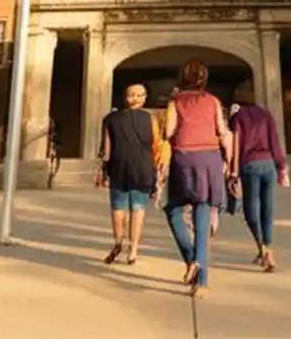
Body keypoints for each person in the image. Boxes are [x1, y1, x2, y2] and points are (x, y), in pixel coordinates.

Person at [164, 59, 232, 298]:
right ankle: (201, 280)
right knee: (203, 211)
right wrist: (230, 161)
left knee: (173, 210)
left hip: (184, 157)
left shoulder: (176, 102)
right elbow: (222, 131)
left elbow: (168, 132)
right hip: (210, 157)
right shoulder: (213, 101)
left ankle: (192, 259)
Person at [97, 84, 168, 265]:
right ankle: (133, 250)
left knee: (118, 208)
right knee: (138, 209)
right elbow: (156, 146)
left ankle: (118, 242)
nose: (138, 98)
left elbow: (107, 150)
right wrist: (159, 170)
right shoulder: (150, 119)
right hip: (143, 169)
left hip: (119, 167)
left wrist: (103, 170)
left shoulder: (110, 119)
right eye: (137, 95)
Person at [229, 79, 289, 272]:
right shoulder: (266, 116)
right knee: (267, 208)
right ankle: (268, 248)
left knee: (251, 209)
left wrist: (234, 172)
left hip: (249, 164)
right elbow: (275, 141)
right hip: (268, 163)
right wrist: (282, 167)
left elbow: (236, 143)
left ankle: (262, 247)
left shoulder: (238, 117)